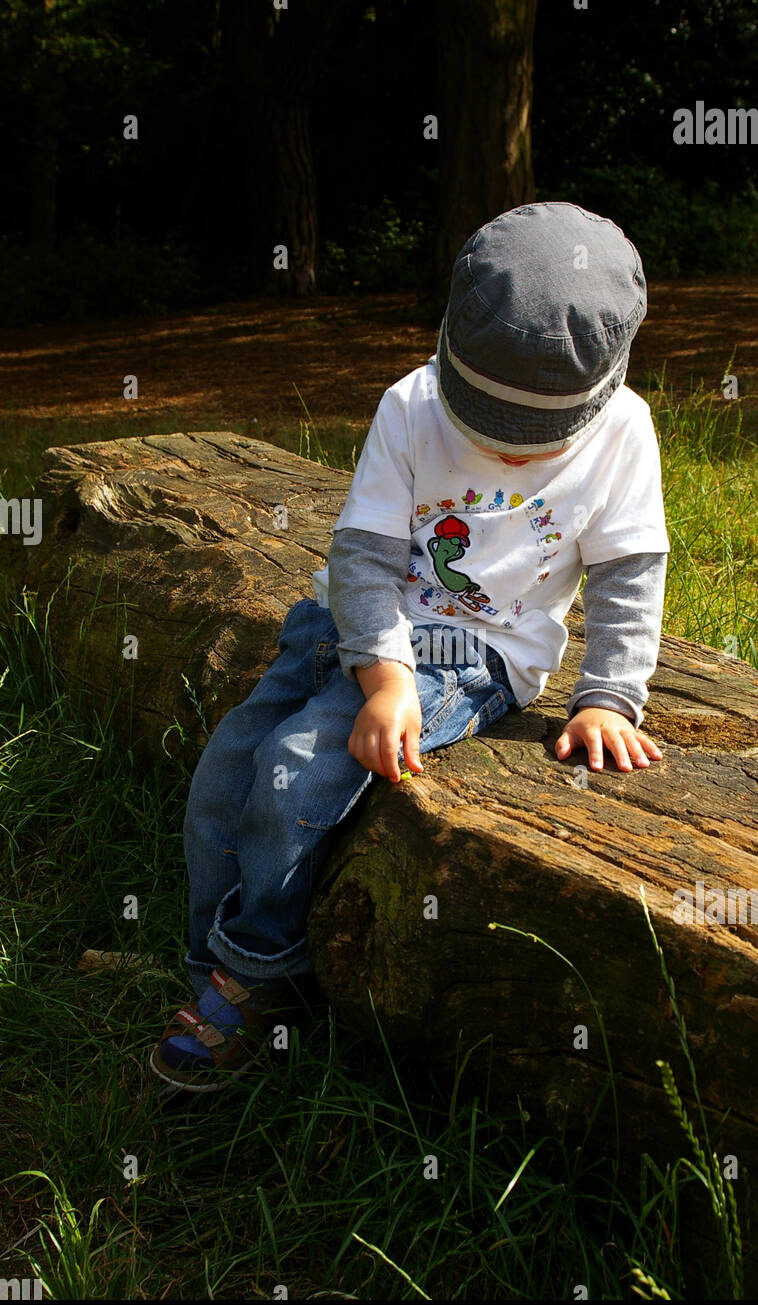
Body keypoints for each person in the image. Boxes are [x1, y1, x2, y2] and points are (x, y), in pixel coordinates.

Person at [150, 201, 669, 1094]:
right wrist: (381, 675)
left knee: (297, 769)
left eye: (536, 441)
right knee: (229, 771)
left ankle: (261, 976)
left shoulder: (625, 432)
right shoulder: (411, 404)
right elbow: (362, 558)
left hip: (475, 651)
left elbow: (630, 572)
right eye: (488, 429)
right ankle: (213, 969)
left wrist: (607, 696)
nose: (508, 458)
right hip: (348, 626)